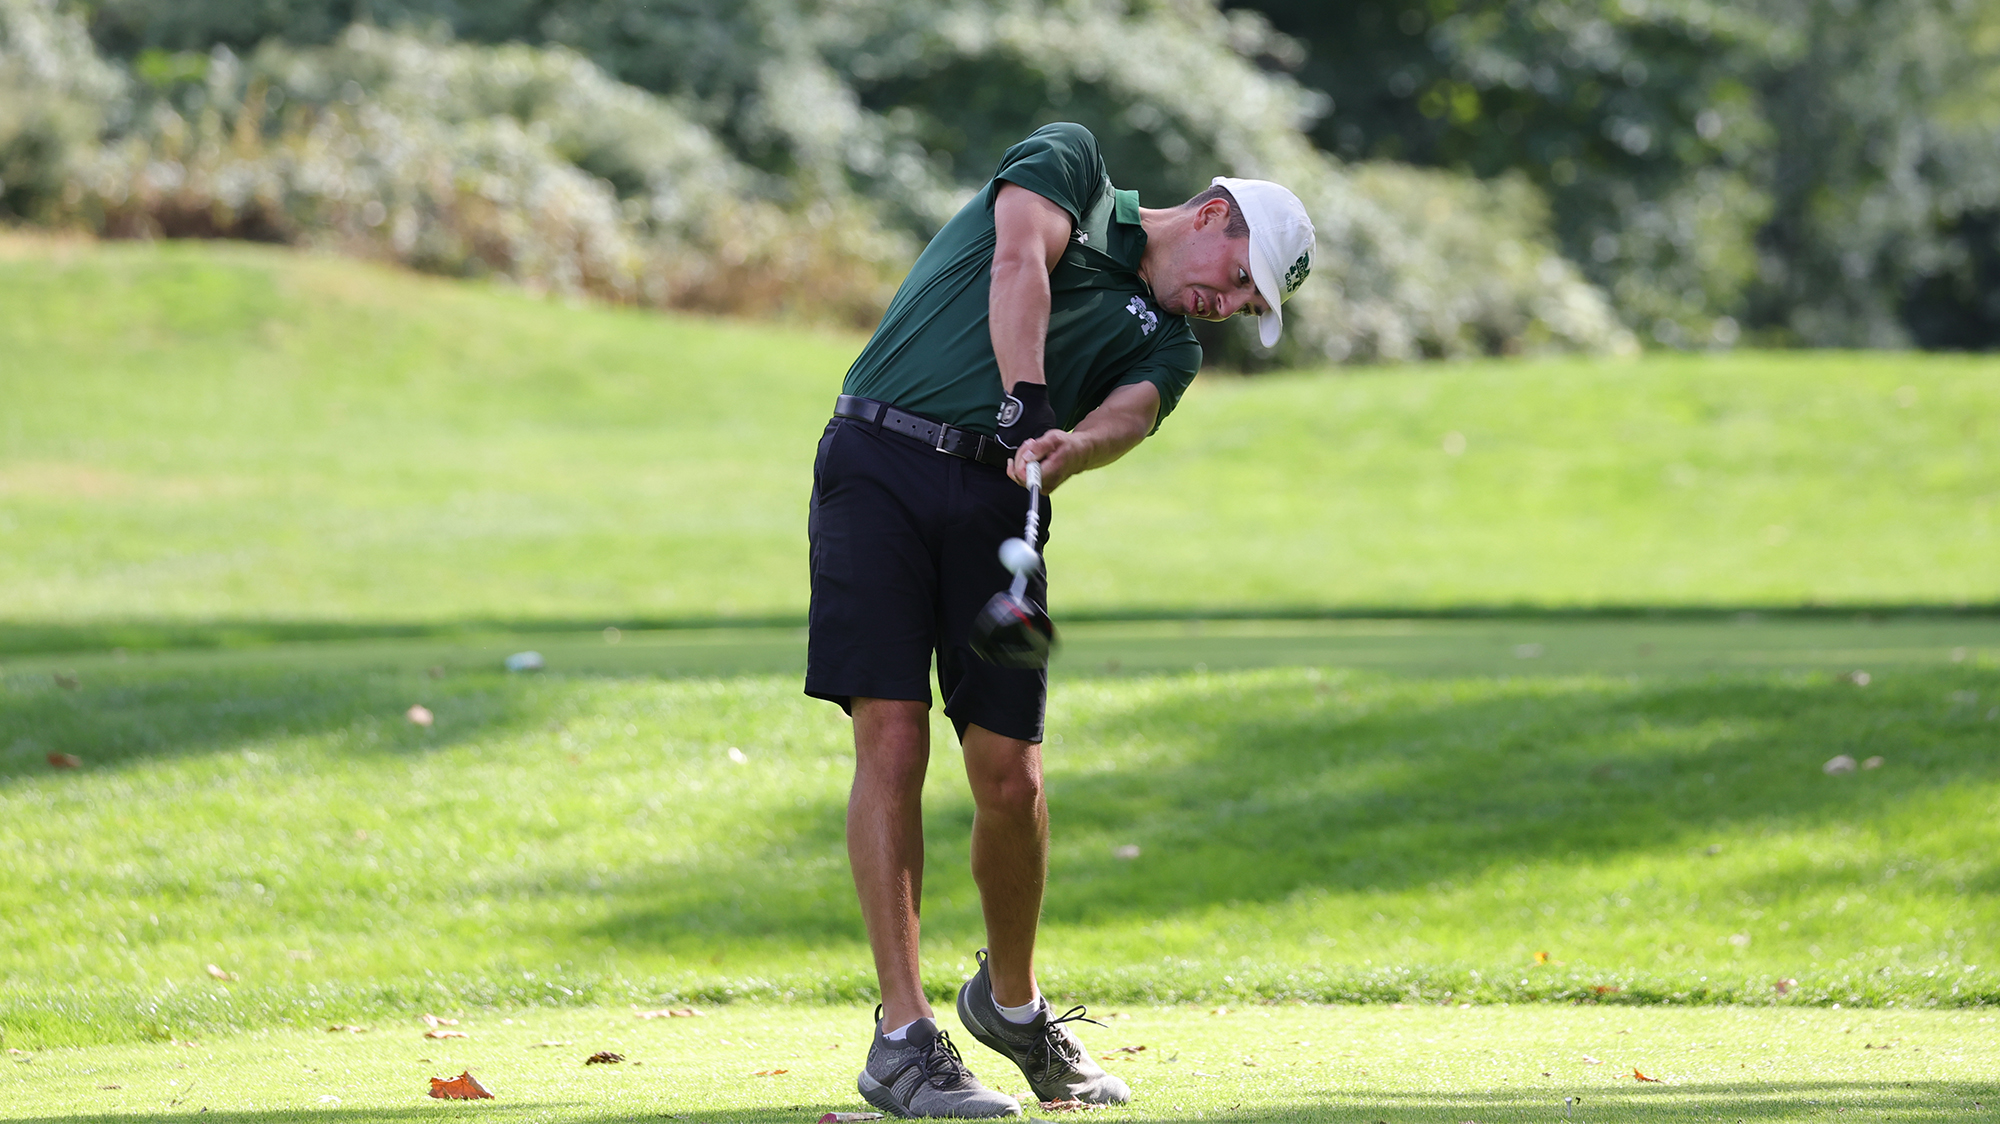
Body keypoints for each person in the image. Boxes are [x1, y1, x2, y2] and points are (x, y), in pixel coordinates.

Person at [806, 121, 1314, 1118]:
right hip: (877, 463)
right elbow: (1014, 259)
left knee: (1011, 770)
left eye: (1248, 305)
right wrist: (1024, 394)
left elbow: (1128, 412)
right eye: (1239, 278)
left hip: (1005, 512)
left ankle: (1009, 1001)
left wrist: (1067, 444)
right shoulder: (1072, 166)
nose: (1229, 305)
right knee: (893, 735)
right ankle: (902, 1036)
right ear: (1212, 214)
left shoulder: (1169, 343)